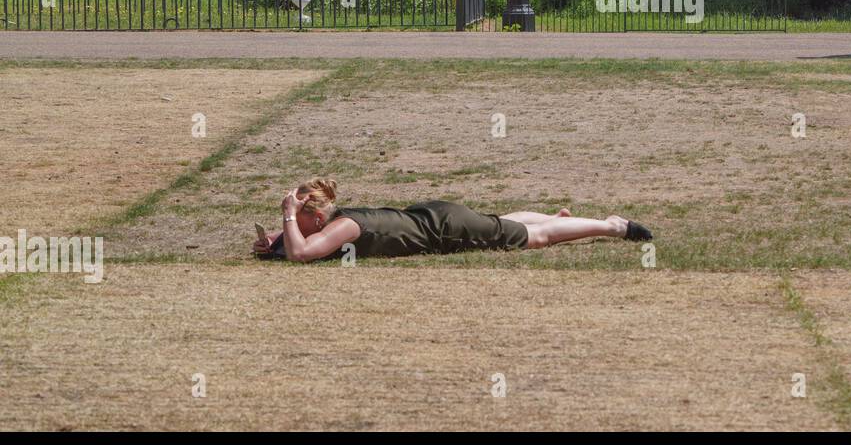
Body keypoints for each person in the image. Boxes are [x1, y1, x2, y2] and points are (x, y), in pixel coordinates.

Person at [254, 178, 652, 263]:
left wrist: (289, 220)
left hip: (448, 229)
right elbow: (297, 240)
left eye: (294, 216)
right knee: (502, 222)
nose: (288, 221)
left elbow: (303, 254)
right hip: (438, 215)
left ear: (317, 216)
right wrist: (275, 235)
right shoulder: (335, 219)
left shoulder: (341, 227)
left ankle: (613, 225)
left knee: (537, 238)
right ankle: (557, 217)